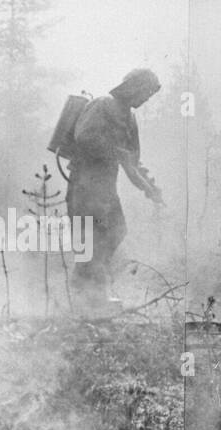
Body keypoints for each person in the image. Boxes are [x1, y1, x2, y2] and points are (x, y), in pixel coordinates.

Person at [65, 69, 164, 310]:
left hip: (106, 189)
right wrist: (115, 151)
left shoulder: (129, 118)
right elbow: (84, 136)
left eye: (149, 95)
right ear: (132, 86)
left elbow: (133, 161)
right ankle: (86, 295)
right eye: (144, 92)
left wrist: (150, 187)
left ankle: (92, 291)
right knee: (91, 240)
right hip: (85, 185)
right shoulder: (103, 104)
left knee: (117, 231)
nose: (145, 98)